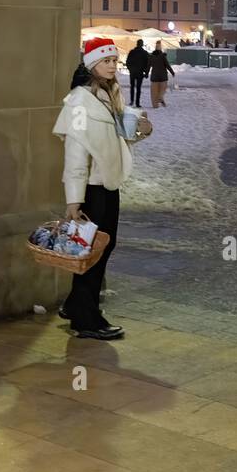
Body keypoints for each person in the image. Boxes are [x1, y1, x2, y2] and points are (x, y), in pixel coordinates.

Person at [52, 37, 151, 339]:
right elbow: (76, 155)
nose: (112, 66)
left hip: (107, 186)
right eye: (106, 61)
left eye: (114, 61)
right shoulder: (80, 103)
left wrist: (141, 131)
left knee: (101, 248)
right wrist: (74, 201)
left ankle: (75, 305)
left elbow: (117, 139)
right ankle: (86, 320)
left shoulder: (106, 97)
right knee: (91, 254)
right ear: (92, 64)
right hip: (91, 190)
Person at [149, 41, 174, 109]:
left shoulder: (152, 56)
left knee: (154, 92)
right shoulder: (163, 56)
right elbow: (167, 65)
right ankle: (160, 98)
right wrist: (172, 72)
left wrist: (146, 73)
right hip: (163, 77)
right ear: (160, 48)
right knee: (162, 90)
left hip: (154, 77)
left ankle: (155, 105)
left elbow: (148, 65)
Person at [125, 39, 150, 106]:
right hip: (140, 73)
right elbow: (148, 64)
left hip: (133, 72)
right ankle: (137, 103)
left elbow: (127, 62)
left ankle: (132, 101)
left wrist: (130, 69)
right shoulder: (145, 53)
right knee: (138, 88)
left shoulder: (132, 52)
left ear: (137, 44)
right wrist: (146, 73)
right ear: (142, 44)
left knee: (132, 87)